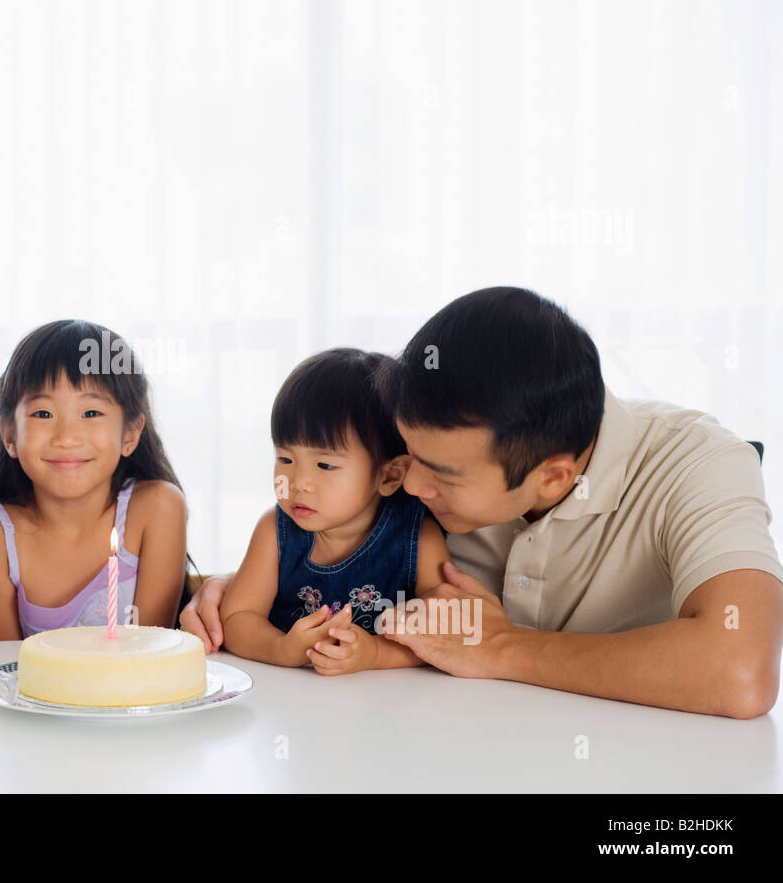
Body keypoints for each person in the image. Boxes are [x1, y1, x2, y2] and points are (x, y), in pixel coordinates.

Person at [182, 287, 783, 718]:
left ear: (552, 478)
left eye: (441, 475)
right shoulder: (428, 467)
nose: (411, 487)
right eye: (407, 457)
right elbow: (349, 543)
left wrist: (500, 646)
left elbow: (738, 669)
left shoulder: (698, 464)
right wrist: (240, 588)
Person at [0, 320, 190, 641]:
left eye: (91, 413)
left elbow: (147, 653)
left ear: (130, 433)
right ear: (9, 435)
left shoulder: (158, 508)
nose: (67, 438)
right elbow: (3, 670)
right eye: (43, 414)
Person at [219, 349, 448, 674]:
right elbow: (237, 618)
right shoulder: (275, 530)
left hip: (388, 706)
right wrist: (282, 649)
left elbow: (442, 631)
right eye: (285, 459)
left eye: (325, 464)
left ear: (389, 475)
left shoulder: (417, 535)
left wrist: (374, 654)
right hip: (292, 697)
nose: (299, 482)